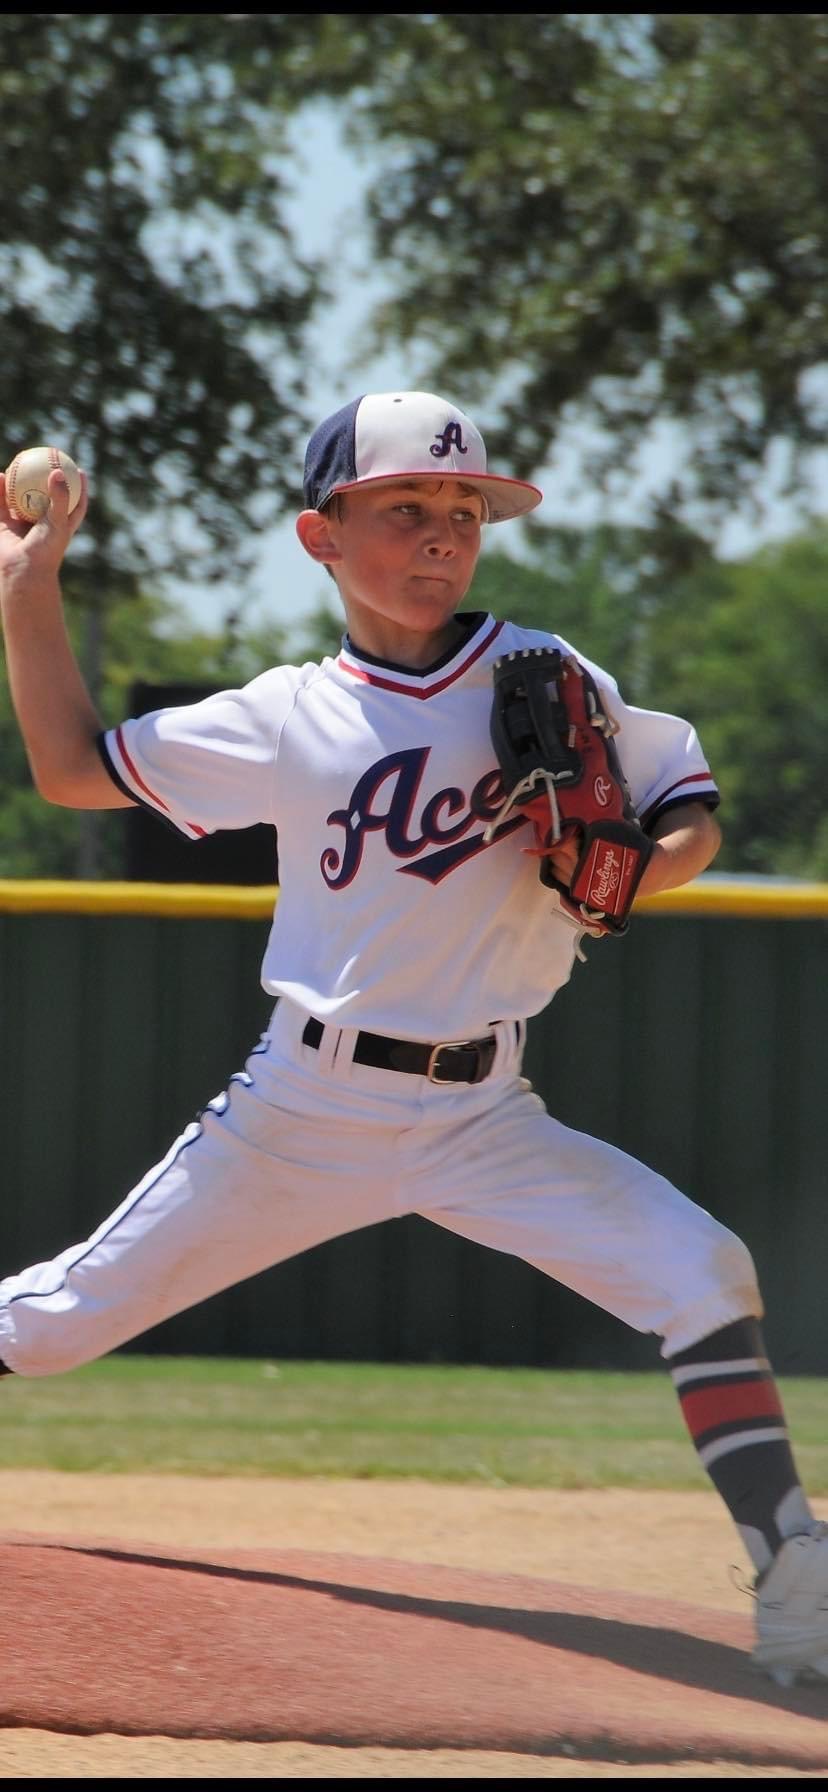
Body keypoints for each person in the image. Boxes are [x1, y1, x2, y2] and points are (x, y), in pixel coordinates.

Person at [0, 389, 825, 1687]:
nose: (443, 532)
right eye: (404, 509)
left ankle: (794, 1578)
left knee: (704, 1271)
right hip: (303, 1109)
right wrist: (26, 587)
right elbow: (68, 768)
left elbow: (688, 810)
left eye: (463, 509)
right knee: (51, 1327)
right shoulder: (287, 715)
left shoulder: (545, 676)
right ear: (321, 536)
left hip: (487, 1117)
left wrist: (638, 870)